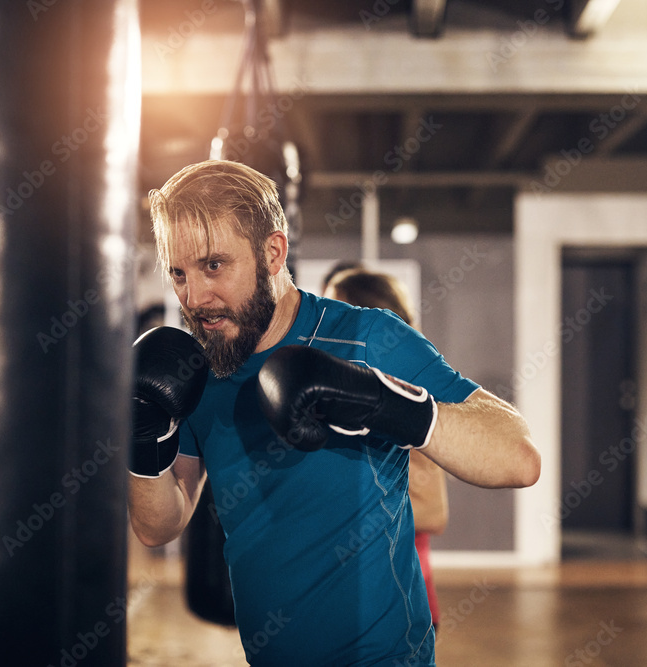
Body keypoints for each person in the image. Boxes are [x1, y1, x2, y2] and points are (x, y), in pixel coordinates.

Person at [127, 159, 540, 666]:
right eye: (178, 273)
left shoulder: (365, 338)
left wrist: (384, 401)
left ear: (273, 252)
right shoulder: (201, 366)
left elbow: (519, 458)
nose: (194, 297)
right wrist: (144, 445)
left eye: (214, 266)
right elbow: (158, 525)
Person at [322, 267, 449, 634]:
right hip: (340, 599)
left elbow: (433, 513)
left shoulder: (407, 398)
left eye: (338, 312)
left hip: (398, 602)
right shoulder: (333, 394)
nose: (326, 324)